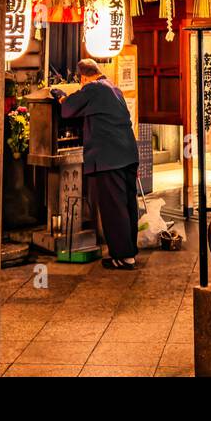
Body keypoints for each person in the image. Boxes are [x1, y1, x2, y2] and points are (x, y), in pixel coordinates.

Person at [55, 59, 141, 270]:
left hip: (110, 157)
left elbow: (68, 109)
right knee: (128, 204)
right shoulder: (114, 88)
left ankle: (122, 256)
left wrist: (60, 96)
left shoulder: (93, 88)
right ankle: (130, 251)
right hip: (128, 153)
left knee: (114, 207)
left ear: (84, 77)